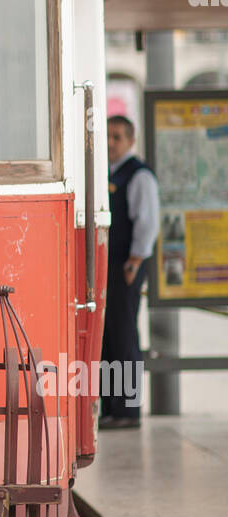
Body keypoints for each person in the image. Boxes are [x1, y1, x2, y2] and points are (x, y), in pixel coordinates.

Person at [100, 115, 160, 430]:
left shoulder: (138, 175)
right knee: (108, 337)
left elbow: (147, 222)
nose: (111, 143)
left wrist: (135, 261)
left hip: (126, 265)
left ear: (131, 141)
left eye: (118, 137)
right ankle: (110, 408)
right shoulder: (107, 173)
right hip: (109, 266)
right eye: (108, 136)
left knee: (124, 335)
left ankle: (128, 411)